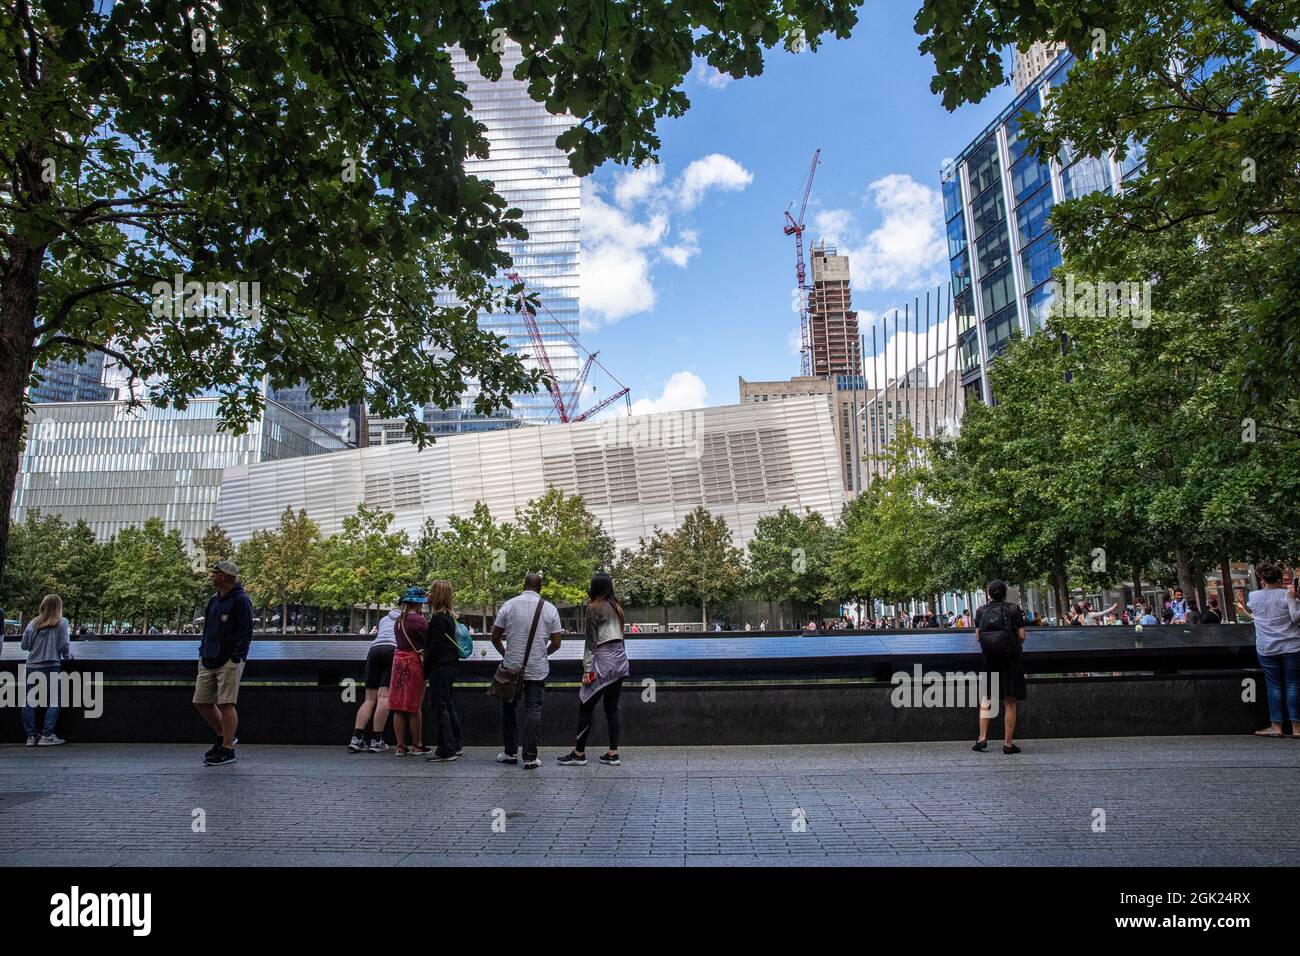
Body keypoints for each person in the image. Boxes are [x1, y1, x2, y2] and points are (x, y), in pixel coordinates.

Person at [491, 573, 563, 769]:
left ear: (524, 585)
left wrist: (506, 654)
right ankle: (530, 756)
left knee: (509, 709)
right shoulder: (550, 609)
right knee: (533, 710)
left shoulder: (509, 605)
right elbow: (556, 642)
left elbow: (495, 637)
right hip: (537, 669)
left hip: (511, 668)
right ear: (540, 587)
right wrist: (543, 653)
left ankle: (510, 752)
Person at [558, 573, 631, 767]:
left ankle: (579, 753)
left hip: (603, 659)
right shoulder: (617, 608)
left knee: (585, 704)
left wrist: (587, 669)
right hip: (620, 659)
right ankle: (613, 753)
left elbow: (591, 642)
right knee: (611, 708)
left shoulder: (594, 607)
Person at [195, 560, 253, 767]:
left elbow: (245, 632)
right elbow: (208, 629)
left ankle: (228, 748)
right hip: (209, 658)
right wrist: (203, 651)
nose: (212, 576)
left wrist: (236, 657)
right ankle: (223, 737)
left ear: (227, 577)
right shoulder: (214, 600)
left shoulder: (241, 601)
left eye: (216, 573)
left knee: (226, 702)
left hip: (228, 660)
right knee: (201, 701)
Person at [1234, 563, 1300, 738]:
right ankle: (1296, 727)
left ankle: (1276, 727)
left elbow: (1260, 617)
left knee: (1274, 686)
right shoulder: (1288, 594)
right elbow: (1295, 617)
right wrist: (1295, 598)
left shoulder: (1254, 596)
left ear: (1262, 579)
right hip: (1292, 645)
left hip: (1267, 647)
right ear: (1279, 578)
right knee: (1293, 685)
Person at [971, 580, 1028, 755]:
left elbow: (978, 636)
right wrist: (1011, 646)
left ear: (989, 594)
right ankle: (1008, 744)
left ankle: (982, 738)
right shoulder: (1013, 609)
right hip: (1010, 660)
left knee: (987, 699)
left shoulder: (981, 610)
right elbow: (1022, 635)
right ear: (1005, 593)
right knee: (1010, 701)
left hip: (990, 660)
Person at [20, 594, 73, 746]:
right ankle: (47, 735)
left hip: (32, 666)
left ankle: (31, 736)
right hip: (51, 666)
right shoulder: (62, 622)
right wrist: (68, 656)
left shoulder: (33, 623)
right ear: (59, 607)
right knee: (55, 701)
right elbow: (64, 646)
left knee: (28, 701)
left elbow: (24, 646)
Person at [348, 605, 399, 753]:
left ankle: (357, 737)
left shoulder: (384, 619)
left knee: (369, 699)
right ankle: (377, 740)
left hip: (374, 650)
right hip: (392, 650)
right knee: (384, 696)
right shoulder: (407, 619)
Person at [423, 580, 464, 762]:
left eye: (431, 592)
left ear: (436, 595)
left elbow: (434, 648)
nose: (428, 595)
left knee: (440, 707)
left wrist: (425, 670)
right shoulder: (449, 617)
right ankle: (455, 743)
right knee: (447, 704)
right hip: (451, 666)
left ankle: (446, 749)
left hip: (440, 668)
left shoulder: (438, 618)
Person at [388, 587, 432, 756]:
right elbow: (428, 642)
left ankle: (400, 746)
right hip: (414, 663)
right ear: (419, 604)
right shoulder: (420, 621)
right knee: (414, 706)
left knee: (398, 706)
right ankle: (417, 745)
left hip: (398, 662)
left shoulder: (399, 620)